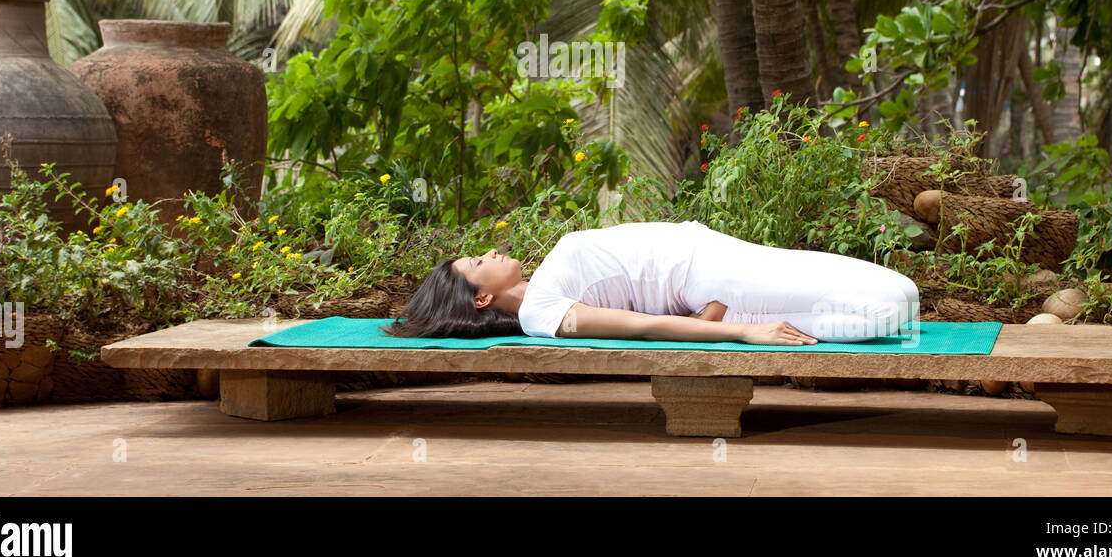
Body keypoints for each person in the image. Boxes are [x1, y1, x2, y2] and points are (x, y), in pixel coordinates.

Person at [380, 220, 919, 346]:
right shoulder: (539, 313)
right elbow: (635, 325)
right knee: (895, 305)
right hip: (712, 277)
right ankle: (752, 320)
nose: (489, 250)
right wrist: (742, 335)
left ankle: (747, 316)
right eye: (478, 261)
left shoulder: (544, 284)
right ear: (481, 297)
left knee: (907, 297)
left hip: (714, 252)